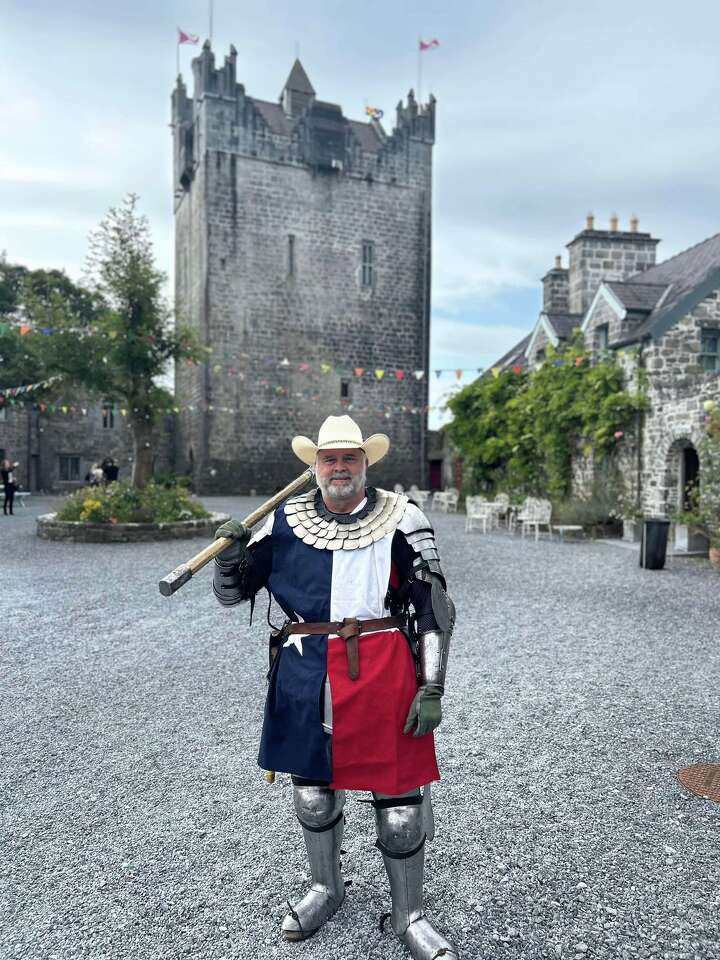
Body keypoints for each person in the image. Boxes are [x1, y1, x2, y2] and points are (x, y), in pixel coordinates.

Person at [212, 415, 457, 959]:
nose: (339, 467)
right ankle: (326, 887)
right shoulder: (281, 520)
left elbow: (434, 607)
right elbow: (234, 593)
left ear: (365, 464)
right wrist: (231, 558)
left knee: (399, 809)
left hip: (384, 671)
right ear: (315, 466)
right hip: (305, 671)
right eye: (330, 458)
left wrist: (433, 686)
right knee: (314, 795)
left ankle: (409, 914)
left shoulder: (404, 518)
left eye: (350, 458)